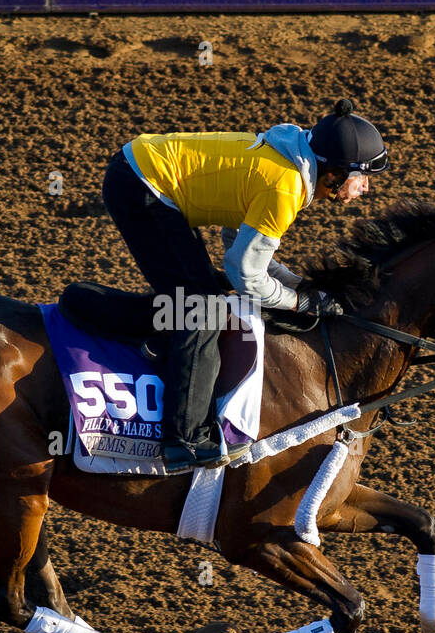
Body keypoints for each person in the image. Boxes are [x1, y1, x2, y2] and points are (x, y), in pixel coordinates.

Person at [100, 98, 389, 474]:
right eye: (362, 176)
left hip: (145, 172)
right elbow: (245, 274)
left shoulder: (289, 162)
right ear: (333, 173)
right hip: (142, 187)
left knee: (201, 294)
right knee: (202, 309)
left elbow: (240, 247)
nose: (366, 188)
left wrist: (299, 286)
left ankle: (96, 310)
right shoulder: (284, 188)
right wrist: (302, 302)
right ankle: (183, 441)